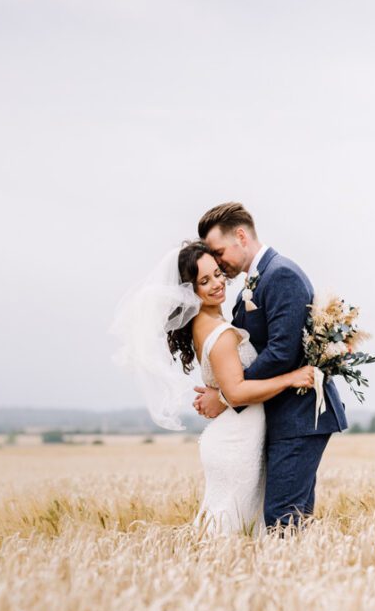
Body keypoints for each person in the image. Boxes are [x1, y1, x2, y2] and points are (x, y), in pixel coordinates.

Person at [110, 241, 313, 536]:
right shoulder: (221, 332)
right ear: (188, 292)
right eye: (204, 281)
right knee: (230, 528)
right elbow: (237, 393)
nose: (217, 283)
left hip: (236, 435)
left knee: (228, 527)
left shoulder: (205, 322)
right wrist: (291, 378)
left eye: (217, 274)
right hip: (236, 440)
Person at [195, 202, 347, 531]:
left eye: (219, 252)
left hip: (299, 416)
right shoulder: (254, 283)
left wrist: (227, 394)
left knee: (281, 519)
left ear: (240, 236)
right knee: (289, 521)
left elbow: (281, 352)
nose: (217, 262)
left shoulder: (281, 275)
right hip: (281, 415)